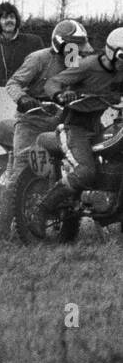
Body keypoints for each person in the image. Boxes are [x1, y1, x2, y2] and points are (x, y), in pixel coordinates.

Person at [0, 19, 91, 233]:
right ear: (61, 44)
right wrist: (22, 98)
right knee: (21, 169)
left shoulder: (77, 63)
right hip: (31, 120)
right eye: (74, 44)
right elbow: (13, 83)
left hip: (60, 121)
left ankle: (66, 224)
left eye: (80, 44)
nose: (78, 49)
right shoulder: (38, 59)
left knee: (72, 164)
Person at [37, 28, 123, 225]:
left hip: (99, 126)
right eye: (122, 56)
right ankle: (43, 209)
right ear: (112, 52)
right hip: (74, 127)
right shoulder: (88, 65)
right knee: (85, 171)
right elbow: (54, 81)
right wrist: (60, 95)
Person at [0, 1, 43, 86]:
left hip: (27, 97)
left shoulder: (33, 42)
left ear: (16, 20)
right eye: (4, 17)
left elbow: (42, 75)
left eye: (12, 17)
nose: (9, 20)